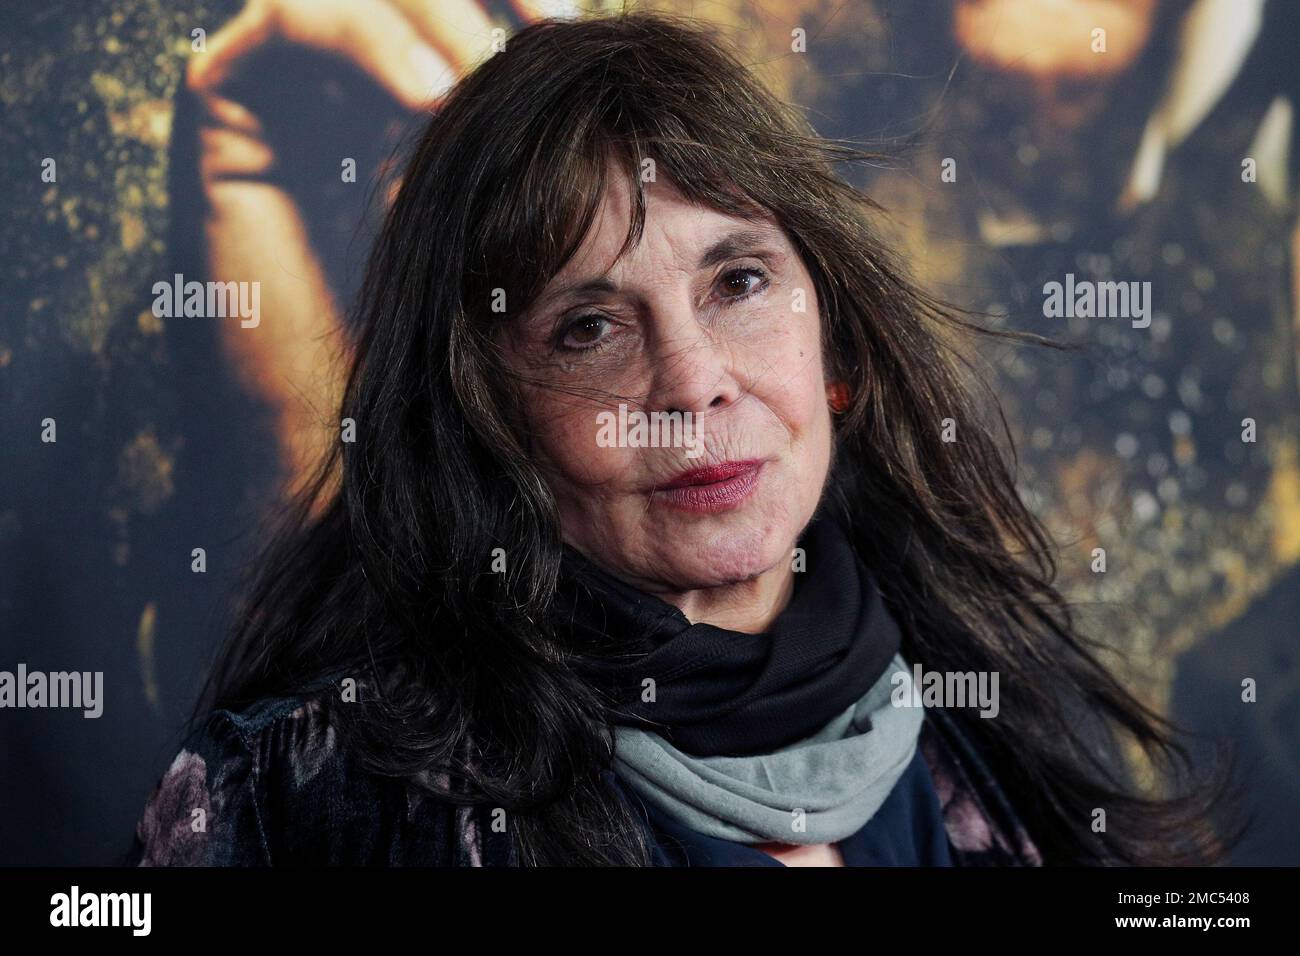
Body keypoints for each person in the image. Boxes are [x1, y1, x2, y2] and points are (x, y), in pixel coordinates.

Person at [127, 9, 1236, 867]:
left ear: (836, 346)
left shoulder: (995, 709)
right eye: (590, 327)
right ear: (490, 414)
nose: (694, 383)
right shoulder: (308, 803)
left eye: (739, 280)